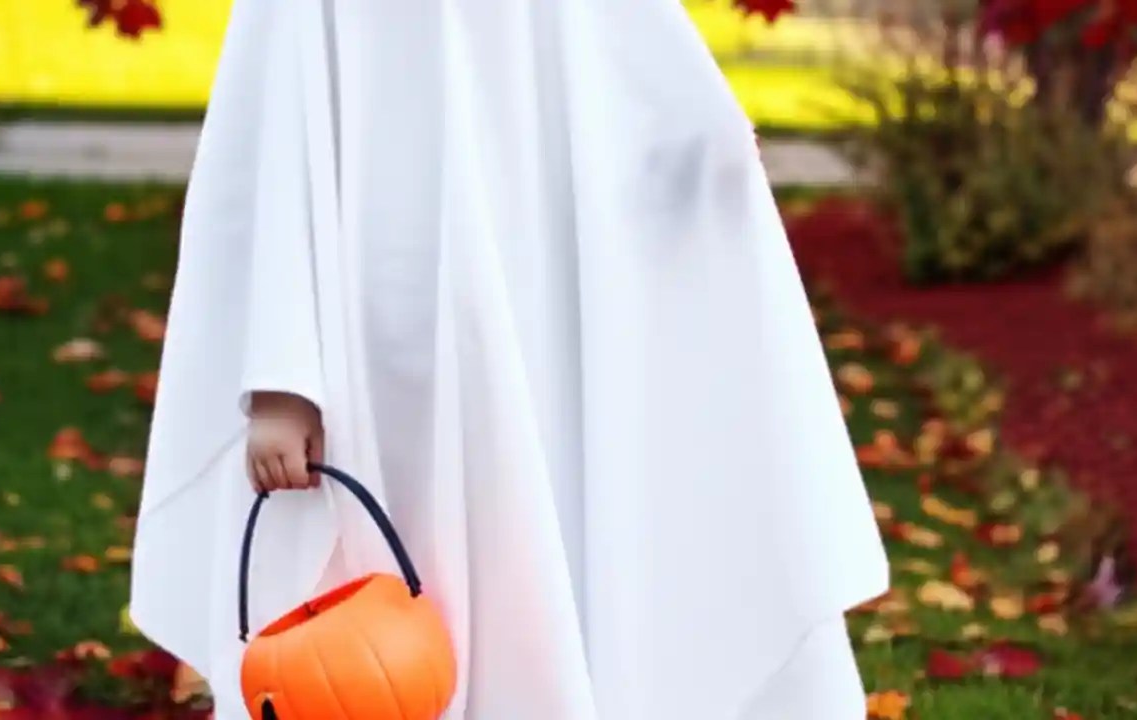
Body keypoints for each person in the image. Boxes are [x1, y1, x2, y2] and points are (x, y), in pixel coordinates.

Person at [129, 0, 890, 718]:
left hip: (539, 278)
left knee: (546, 505)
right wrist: (283, 377)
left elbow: (609, 33)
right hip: (379, 300)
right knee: (407, 549)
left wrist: (689, 119)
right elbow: (275, 118)